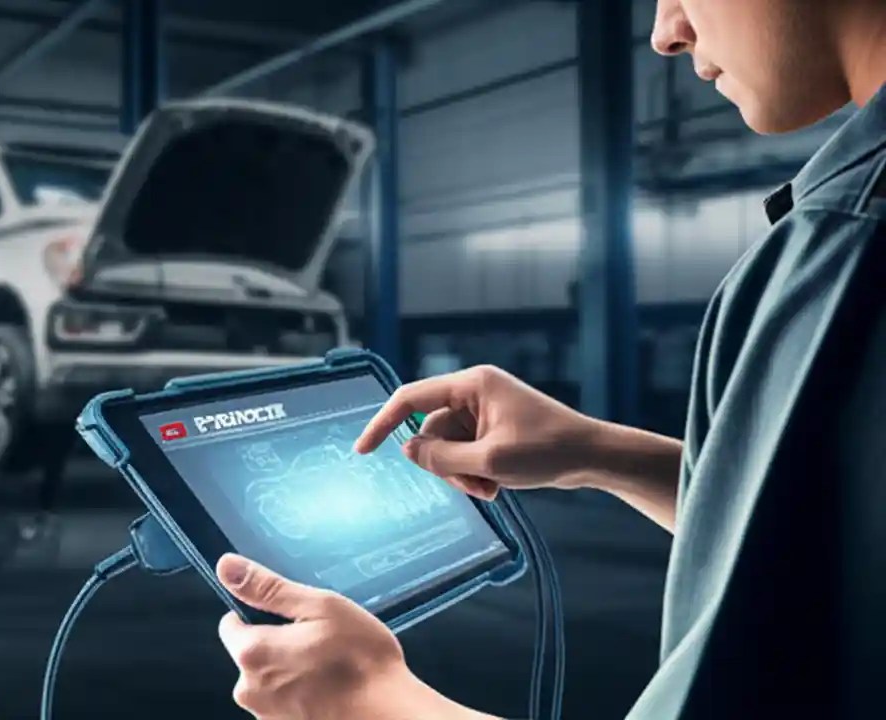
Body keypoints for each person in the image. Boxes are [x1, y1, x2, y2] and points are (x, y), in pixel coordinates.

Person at [213, 0, 886, 717]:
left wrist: (374, 701)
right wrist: (599, 453)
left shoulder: (850, 245)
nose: (665, 33)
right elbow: (836, 556)